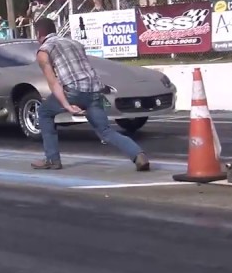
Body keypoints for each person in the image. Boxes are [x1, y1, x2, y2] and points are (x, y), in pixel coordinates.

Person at [30, 17, 150, 171]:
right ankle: (138, 154)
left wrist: (67, 105)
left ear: (39, 33)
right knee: (105, 130)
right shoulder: (74, 43)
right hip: (95, 91)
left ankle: (52, 159)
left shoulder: (43, 51)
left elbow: (53, 83)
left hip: (73, 91)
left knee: (44, 112)